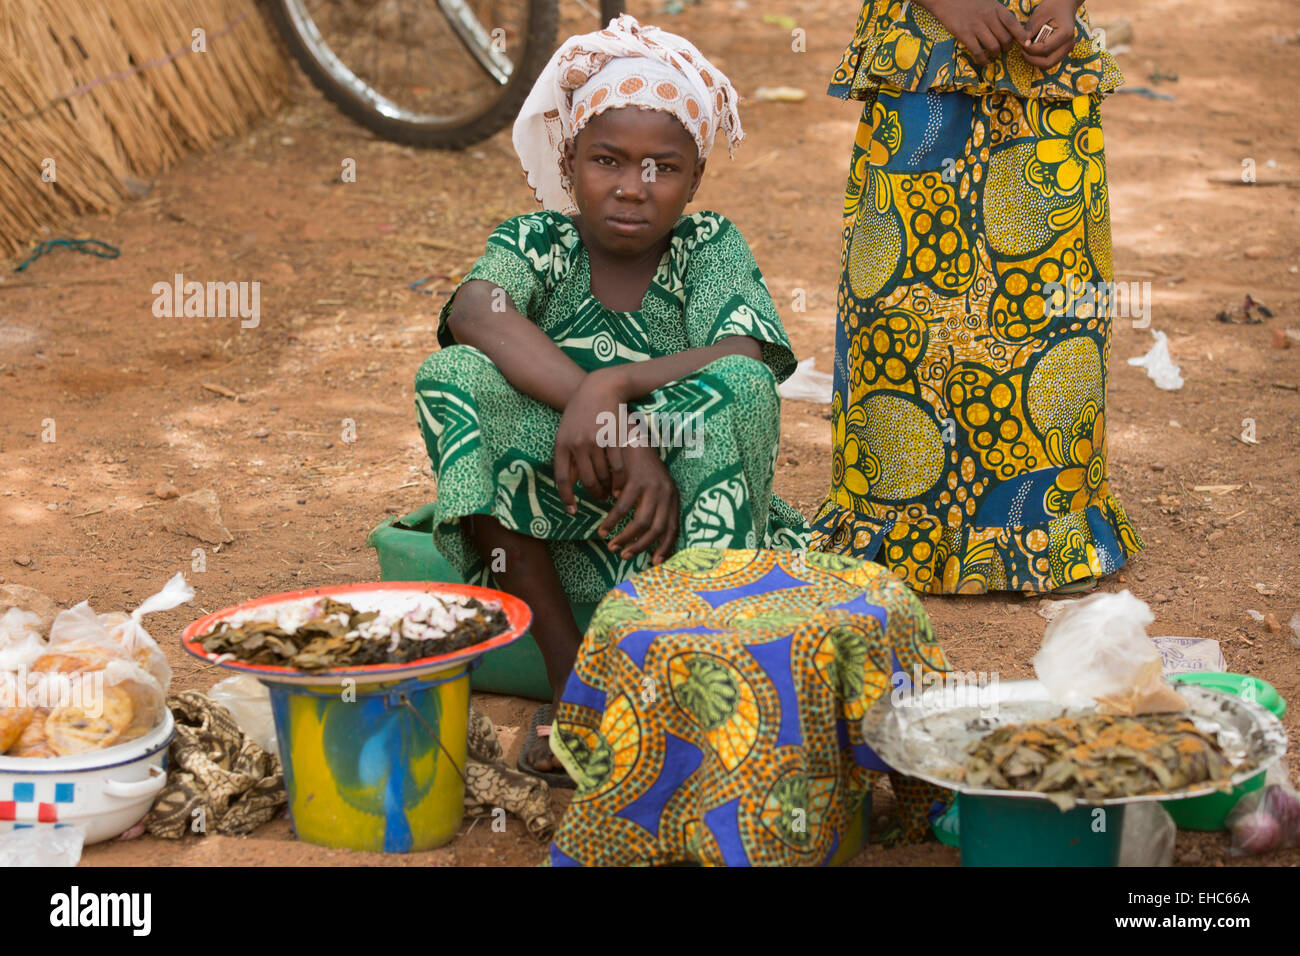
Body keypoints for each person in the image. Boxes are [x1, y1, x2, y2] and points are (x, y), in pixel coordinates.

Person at [413, 15, 808, 783]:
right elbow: (474, 311)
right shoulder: (540, 241)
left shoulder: (707, 247)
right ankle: (577, 690)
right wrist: (611, 423)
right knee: (453, 379)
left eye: (664, 166)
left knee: (742, 390)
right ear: (570, 160)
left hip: (685, 519)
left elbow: (747, 350)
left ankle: (693, 689)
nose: (634, 185)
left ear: (693, 180)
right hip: (560, 514)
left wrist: (614, 385)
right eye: (608, 160)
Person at [810, 0, 1144, 595]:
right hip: (928, 48)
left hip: (1045, 63)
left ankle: (1049, 530)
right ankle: (892, 525)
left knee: (1047, 304)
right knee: (906, 294)